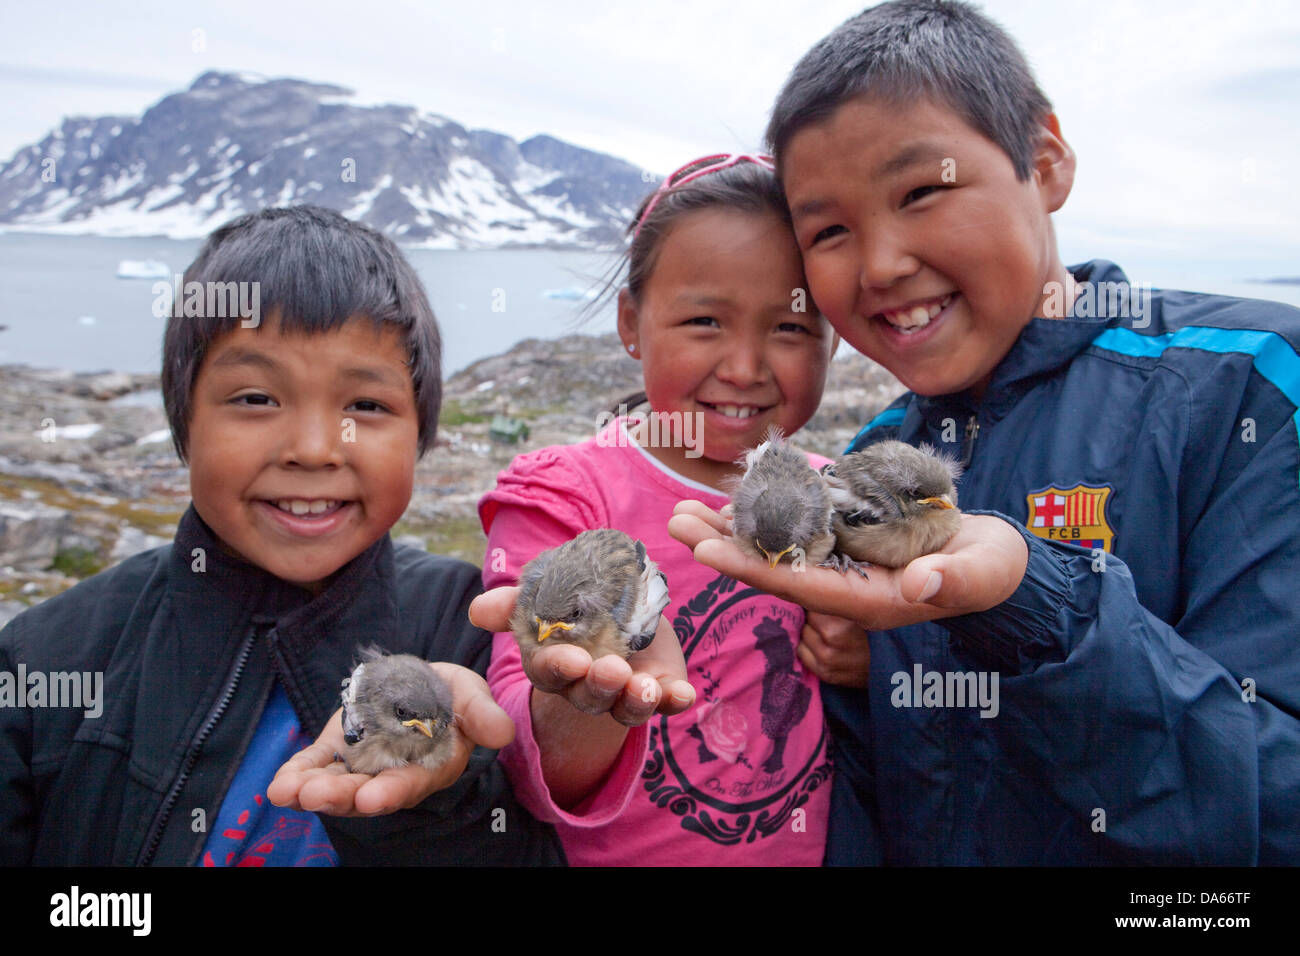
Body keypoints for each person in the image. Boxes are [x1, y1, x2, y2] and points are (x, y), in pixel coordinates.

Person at [668, 0, 1300, 865]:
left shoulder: (1253, 387)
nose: (882, 263)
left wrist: (1035, 606)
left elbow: (1275, 808)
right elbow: (863, 790)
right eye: (829, 231)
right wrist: (858, 677)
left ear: (1044, 163)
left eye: (923, 191)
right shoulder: (868, 462)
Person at [0, 205, 561, 865]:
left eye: (365, 406)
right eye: (256, 399)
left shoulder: (471, 634)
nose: (316, 448)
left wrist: (436, 798)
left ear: (421, 434)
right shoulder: (45, 658)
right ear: (184, 419)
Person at [477, 155, 839, 864]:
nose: (744, 366)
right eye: (704, 320)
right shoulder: (567, 494)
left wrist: (863, 654)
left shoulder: (830, 497)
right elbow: (521, 749)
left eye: (791, 329)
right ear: (631, 323)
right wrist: (584, 698)